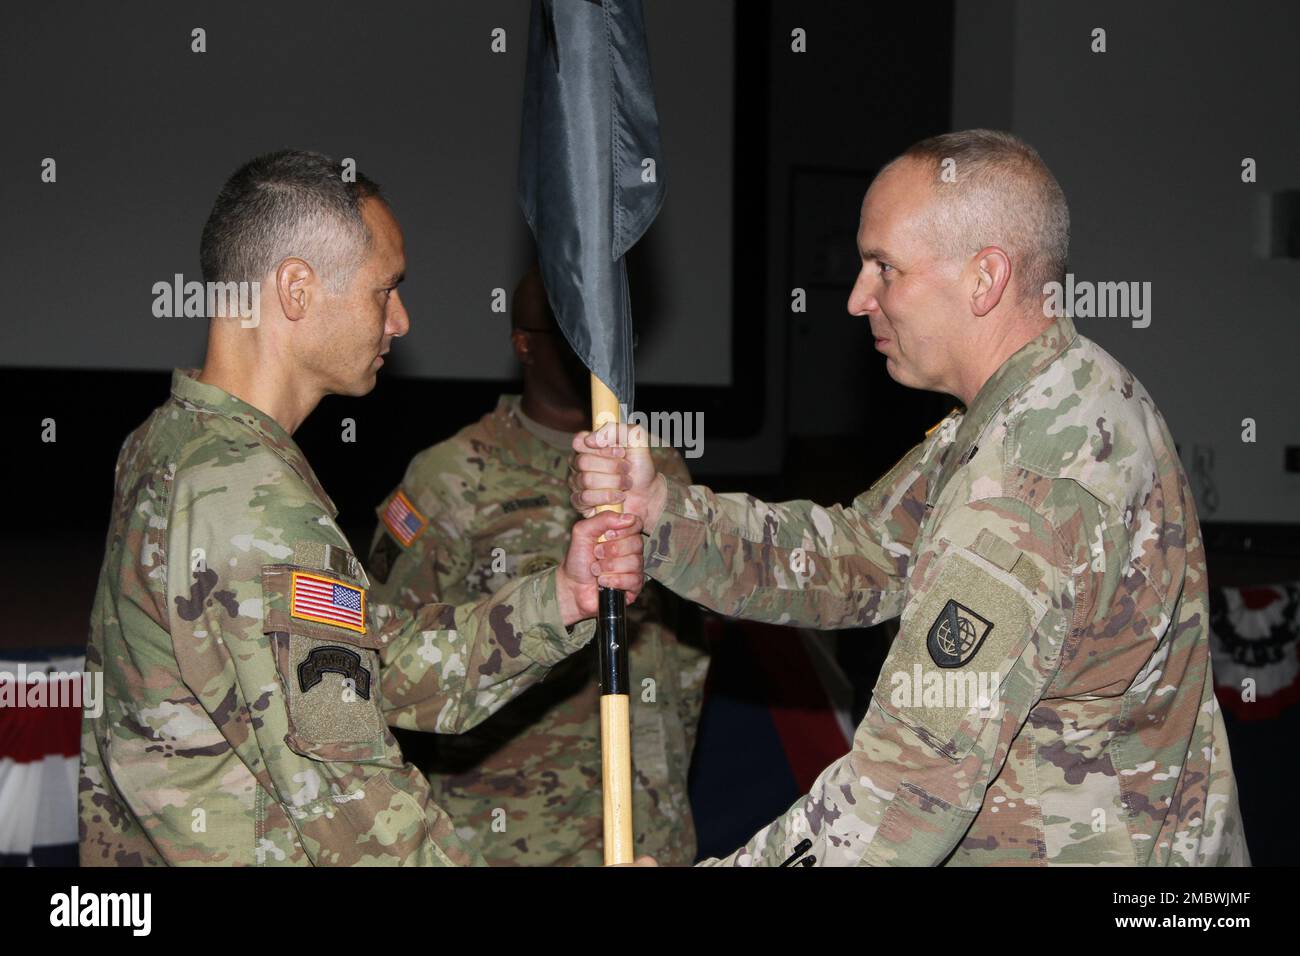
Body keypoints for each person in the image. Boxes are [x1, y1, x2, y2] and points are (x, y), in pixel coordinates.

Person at [572, 130, 1249, 866]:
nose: (860, 298)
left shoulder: (1029, 484)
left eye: (884, 268)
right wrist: (665, 516)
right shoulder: (1055, 396)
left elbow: (903, 799)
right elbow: (862, 554)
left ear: (984, 278)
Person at [80, 150, 645, 866]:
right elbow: (358, 816)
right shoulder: (248, 504)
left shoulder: (171, 441)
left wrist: (559, 600)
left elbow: (371, 664)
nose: (402, 321)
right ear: (296, 288)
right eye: (387, 291)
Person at [367, 265, 706, 865]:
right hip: (512, 835)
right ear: (524, 344)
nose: (591, 354)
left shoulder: (655, 470)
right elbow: (393, 660)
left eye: (603, 338)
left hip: (649, 821)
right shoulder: (451, 477)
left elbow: (687, 639)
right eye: (569, 335)